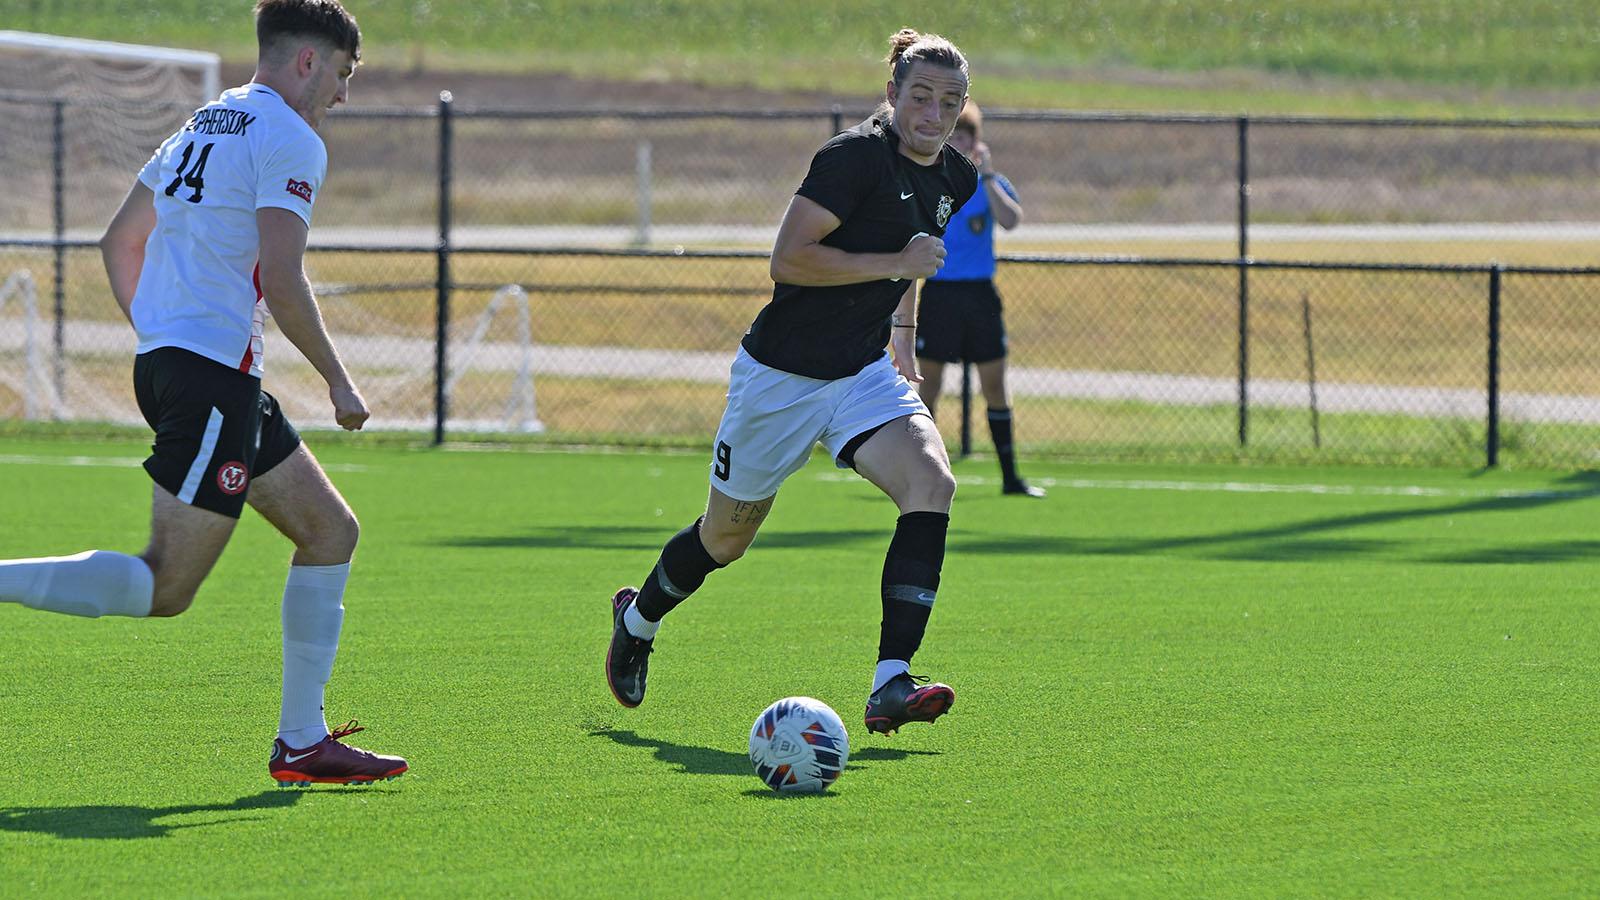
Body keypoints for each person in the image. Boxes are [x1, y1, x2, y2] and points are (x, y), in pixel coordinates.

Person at [0, 0, 405, 787]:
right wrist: (337, 377)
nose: (344, 97)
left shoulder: (203, 122)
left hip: (200, 372)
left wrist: (157, 334)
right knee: (165, 587)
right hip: (211, 378)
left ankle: (301, 742)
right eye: (344, 76)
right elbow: (284, 282)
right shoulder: (292, 138)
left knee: (329, 531)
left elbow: (119, 239)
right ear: (308, 62)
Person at [605, 29, 978, 737]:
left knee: (931, 483)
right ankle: (639, 617)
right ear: (893, 94)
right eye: (921, 96)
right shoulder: (853, 159)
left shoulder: (955, 178)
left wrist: (902, 340)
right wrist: (894, 259)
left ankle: (890, 681)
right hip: (781, 376)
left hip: (863, 371)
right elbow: (789, 260)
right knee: (725, 540)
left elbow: (913, 265)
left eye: (950, 101)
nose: (934, 113)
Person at [914, 101, 1044, 497]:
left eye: (965, 137)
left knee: (995, 386)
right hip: (938, 293)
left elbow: (1012, 220)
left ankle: (1010, 477)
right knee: (928, 386)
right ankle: (922, 472)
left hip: (979, 296)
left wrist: (986, 176)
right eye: (953, 136)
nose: (958, 143)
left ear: (977, 142)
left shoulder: (990, 184)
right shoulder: (929, 181)